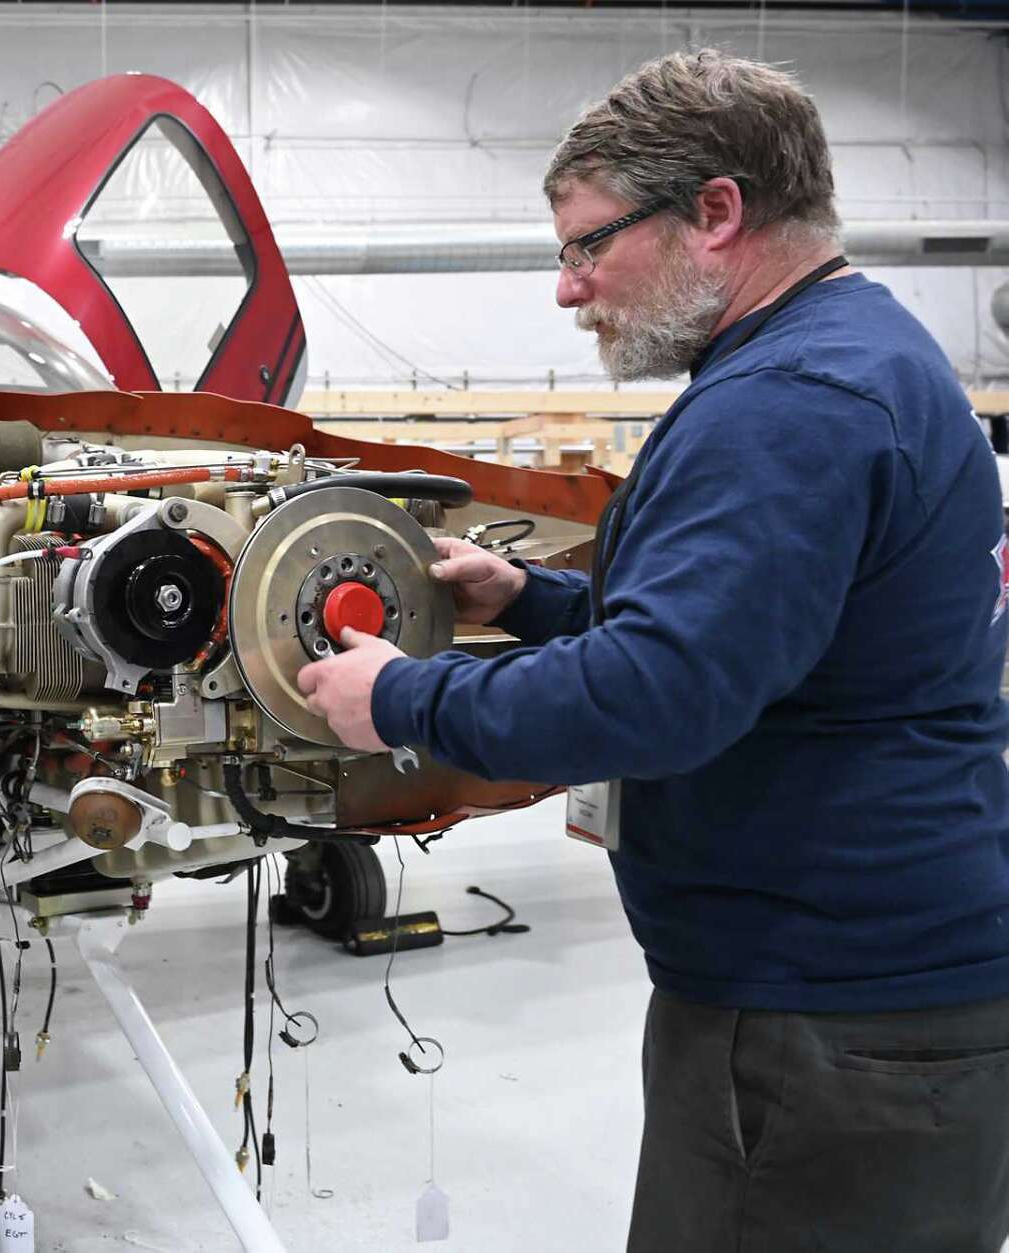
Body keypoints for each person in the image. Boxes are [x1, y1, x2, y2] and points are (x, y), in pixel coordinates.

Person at [296, 49, 1009, 1252]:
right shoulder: (856, 350)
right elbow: (763, 644)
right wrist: (532, 599)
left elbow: (659, 697)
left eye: (589, 244)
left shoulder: (789, 402)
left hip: (822, 1025)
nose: (568, 289)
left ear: (715, 211)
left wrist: (405, 696)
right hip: (878, 1000)